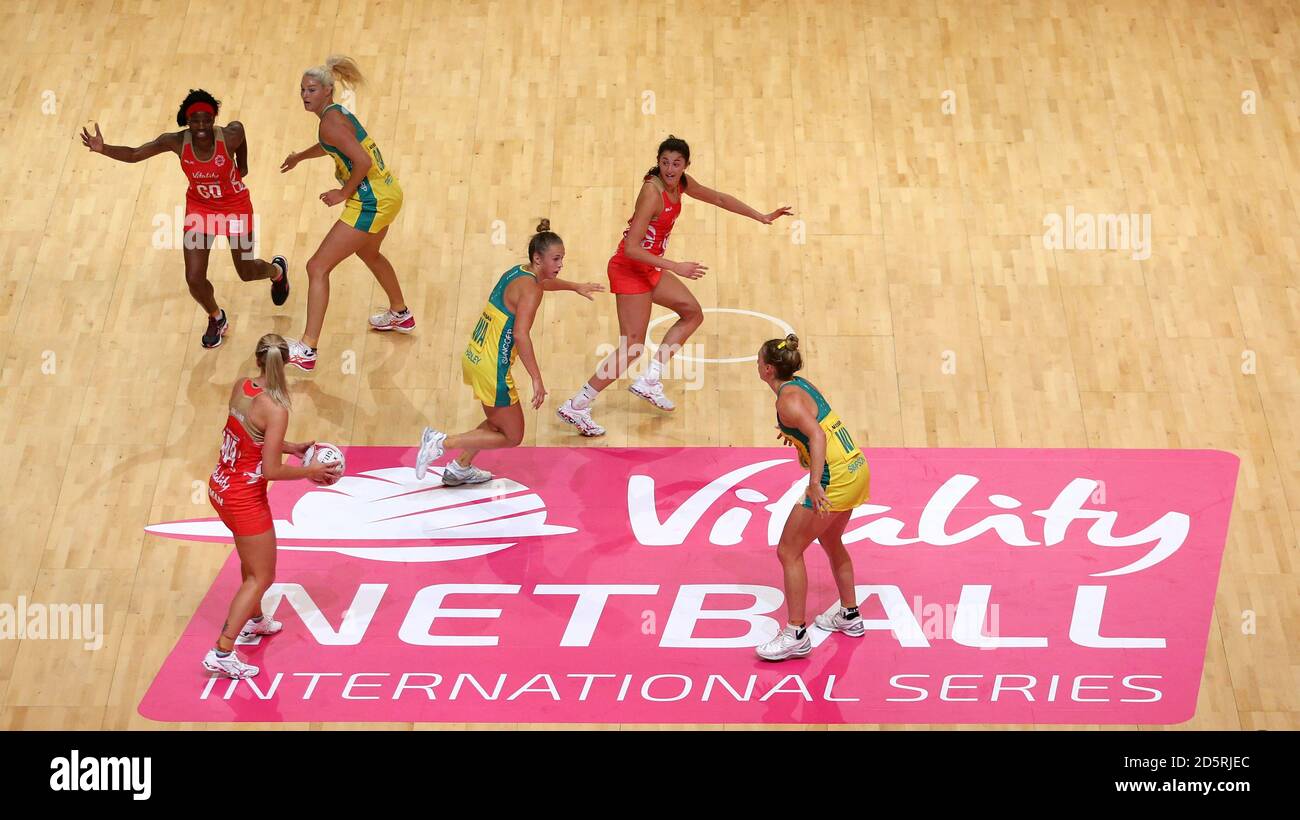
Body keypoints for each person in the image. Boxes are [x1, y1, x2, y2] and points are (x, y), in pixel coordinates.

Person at [556, 135, 793, 435]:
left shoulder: (681, 184)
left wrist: (759, 215)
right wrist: (675, 266)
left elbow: (718, 198)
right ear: (658, 163)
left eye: (676, 163)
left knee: (692, 312)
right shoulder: (651, 193)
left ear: (685, 166)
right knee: (632, 347)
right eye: (665, 162)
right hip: (630, 268)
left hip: (650, 267)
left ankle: (650, 379)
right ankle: (578, 405)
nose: (670, 168)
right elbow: (630, 247)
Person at [80, 90, 288, 348]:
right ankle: (216, 317)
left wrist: (242, 164)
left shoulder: (229, 135)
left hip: (235, 207)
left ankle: (277, 272)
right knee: (193, 278)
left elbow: (241, 130)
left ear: (214, 118)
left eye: (207, 120)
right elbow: (135, 154)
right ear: (187, 121)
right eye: (196, 121)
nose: (201, 127)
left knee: (246, 272)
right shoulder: (176, 141)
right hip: (200, 209)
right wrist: (103, 149)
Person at [415, 220, 603, 484]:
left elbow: (542, 284)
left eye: (562, 258)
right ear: (538, 259)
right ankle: (442, 442)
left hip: (476, 356)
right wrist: (537, 378)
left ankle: (461, 467)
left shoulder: (519, 272)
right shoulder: (532, 289)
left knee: (497, 423)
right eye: (556, 259)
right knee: (513, 435)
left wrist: (574, 286)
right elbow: (520, 334)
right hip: (493, 367)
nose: (561, 264)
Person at [202, 333, 341, 679]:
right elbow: (270, 470)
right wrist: (311, 470)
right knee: (263, 575)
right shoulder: (277, 408)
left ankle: (256, 620)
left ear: (259, 359)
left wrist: (290, 447)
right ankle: (222, 650)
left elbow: (252, 437)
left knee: (251, 564)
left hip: (220, 487)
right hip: (245, 498)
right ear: (288, 364)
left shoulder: (241, 387)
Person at [280, 55, 412, 372]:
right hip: (388, 192)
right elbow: (332, 145)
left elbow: (361, 161)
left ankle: (308, 348)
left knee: (317, 267)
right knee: (370, 254)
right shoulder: (335, 116)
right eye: (302, 90)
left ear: (328, 90)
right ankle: (400, 313)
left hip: (371, 201)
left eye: (311, 89)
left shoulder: (328, 123)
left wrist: (343, 193)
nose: (305, 95)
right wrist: (300, 156)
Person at [752, 335, 871, 662]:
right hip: (856, 466)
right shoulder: (799, 385)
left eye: (758, 360)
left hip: (835, 478)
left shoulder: (786, 402)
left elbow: (817, 435)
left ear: (766, 369)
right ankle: (849, 615)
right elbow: (814, 429)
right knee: (832, 540)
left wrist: (815, 483)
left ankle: (795, 634)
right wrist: (797, 437)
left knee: (788, 550)